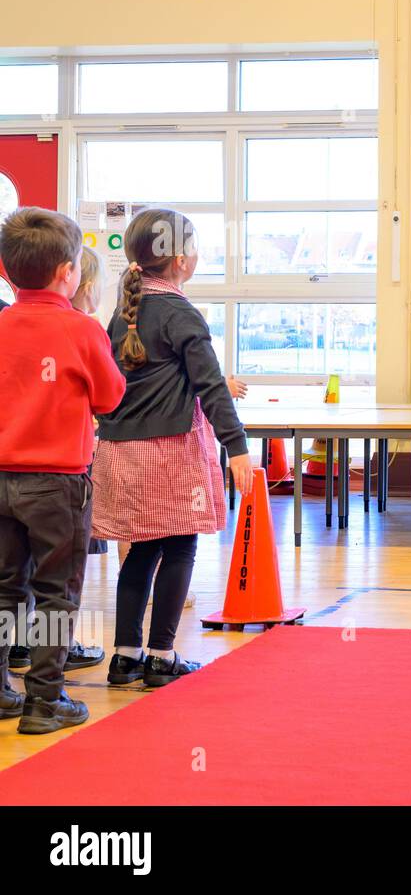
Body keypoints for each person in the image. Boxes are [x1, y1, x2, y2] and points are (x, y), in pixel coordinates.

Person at [93, 209, 252, 689]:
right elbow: (211, 388)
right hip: (170, 451)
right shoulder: (181, 313)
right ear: (182, 260)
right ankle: (161, 656)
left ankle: (124, 657)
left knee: (141, 550)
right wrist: (238, 447)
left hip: (120, 453)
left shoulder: (123, 315)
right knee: (180, 546)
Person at [0, 208, 126, 733]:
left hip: (0, 478)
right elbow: (111, 397)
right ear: (67, 273)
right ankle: (45, 701)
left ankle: (2, 691)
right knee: (56, 592)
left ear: (7, 273)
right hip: (58, 482)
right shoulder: (81, 329)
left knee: (5, 588)